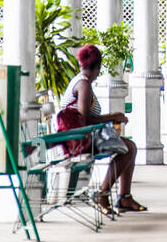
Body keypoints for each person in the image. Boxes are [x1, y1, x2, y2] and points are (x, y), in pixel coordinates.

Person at [57, 44, 146, 214]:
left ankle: (124, 197)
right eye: (99, 69)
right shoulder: (83, 85)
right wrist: (113, 117)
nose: (98, 74)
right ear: (97, 67)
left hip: (80, 136)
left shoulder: (80, 81)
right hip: (79, 139)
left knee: (129, 147)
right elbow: (84, 118)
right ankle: (103, 193)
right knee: (128, 148)